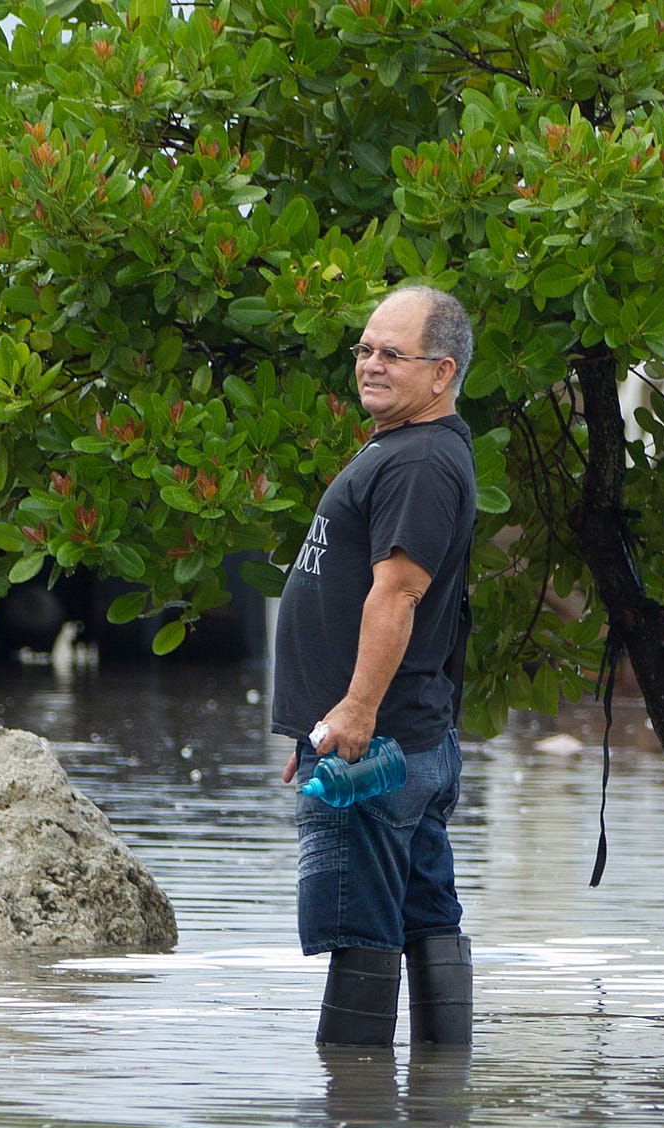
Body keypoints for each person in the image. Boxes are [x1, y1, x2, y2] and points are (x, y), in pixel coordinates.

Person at [272, 285, 479, 1050]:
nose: (371, 364)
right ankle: (433, 1124)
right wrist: (319, 725)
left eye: (393, 353)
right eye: (364, 349)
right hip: (392, 737)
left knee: (359, 931)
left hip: (377, 744)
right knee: (426, 918)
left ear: (441, 371)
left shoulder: (421, 459)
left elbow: (399, 593)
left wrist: (354, 714)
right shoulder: (408, 447)